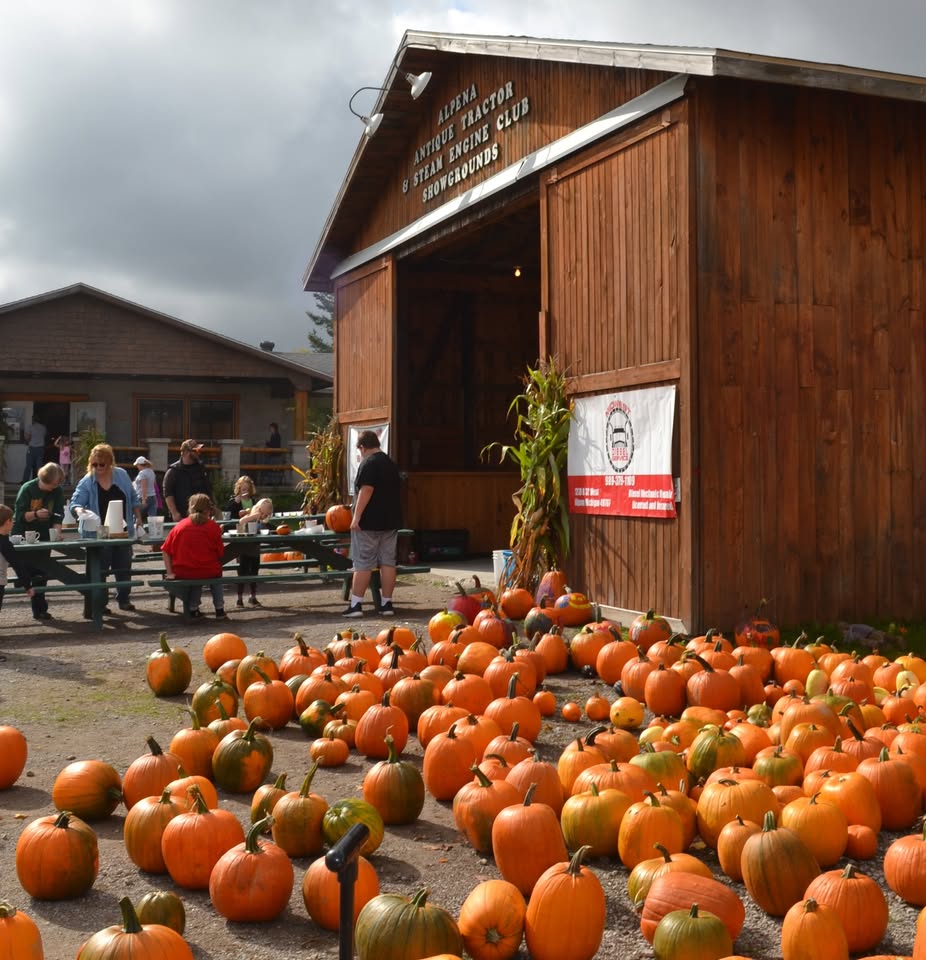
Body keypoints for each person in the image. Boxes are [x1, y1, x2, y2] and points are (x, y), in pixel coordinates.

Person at [70, 443, 144, 616]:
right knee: (100, 568)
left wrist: (139, 518)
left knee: (124, 566)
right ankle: (101, 603)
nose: (98, 468)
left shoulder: (122, 475)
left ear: (110, 462)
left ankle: (124, 599)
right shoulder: (88, 481)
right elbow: (75, 502)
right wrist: (79, 510)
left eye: (101, 464)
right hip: (99, 531)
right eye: (94, 464)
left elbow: (133, 498)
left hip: (122, 529)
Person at [343, 429, 402, 618]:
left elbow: (366, 490)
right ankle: (387, 604)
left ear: (362, 447)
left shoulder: (368, 463)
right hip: (391, 521)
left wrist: (356, 517)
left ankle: (356, 605)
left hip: (368, 523)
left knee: (363, 564)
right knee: (388, 562)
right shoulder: (390, 463)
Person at [160, 492, 227, 620]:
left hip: (184, 571)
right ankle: (219, 609)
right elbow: (220, 553)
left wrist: (170, 573)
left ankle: (192, 609)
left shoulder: (179, 526)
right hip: (208, 570)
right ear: (208, 510)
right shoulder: (213, 527)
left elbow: (166, 550)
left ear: (190, 508)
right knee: (214, 575)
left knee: (195, 575)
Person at [233, 496, 273, 608]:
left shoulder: (263, 521)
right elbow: (241, 521)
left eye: (266, 514)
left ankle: (253, 596)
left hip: (254, 550)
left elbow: (266, 529)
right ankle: (239, 598)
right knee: (242, 574)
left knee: (254, 574)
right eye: (262, 512)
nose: (264, 515)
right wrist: (255, 515)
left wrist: (263, 519)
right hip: (243, 549)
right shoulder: (250, 515)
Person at [2, 503, 38, 619]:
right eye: (12, 521)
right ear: (7, 522)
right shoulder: (5, 544)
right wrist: (28, 585)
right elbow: (18, 565)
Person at [163, 439, 212, 520]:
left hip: (201, 515)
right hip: (182, 515)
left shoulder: (201, 469)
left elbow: (208, 489)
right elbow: (168, 493)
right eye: (195, 450)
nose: (198, 453)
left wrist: (211, 507)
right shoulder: (174, 471)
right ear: (186, 452)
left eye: (199, 450)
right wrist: (174, 513)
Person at [22, 417, 48, 482]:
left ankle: (25, 481)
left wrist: (27, 439)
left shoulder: (30, 427)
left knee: (29, 466)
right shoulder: (43, 428)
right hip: (40, 448)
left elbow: (27, 438)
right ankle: (39, 481)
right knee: (39, 466)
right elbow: (44, 436)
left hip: (32, 448)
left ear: (33, 420)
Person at [133, 456, 158, 520]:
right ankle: (153, 530)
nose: (137, 467)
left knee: (137, 517)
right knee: (152, 519)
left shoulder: (142, 473)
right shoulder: (151, 472)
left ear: (139, 464)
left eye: (137, 465)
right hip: (153, 496)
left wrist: (144, 499)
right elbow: (154, 483)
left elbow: (144, 486)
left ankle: (135, 530)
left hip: (143, 497)